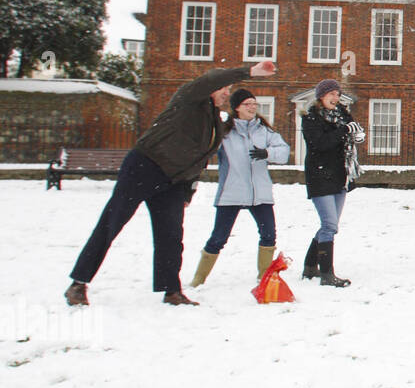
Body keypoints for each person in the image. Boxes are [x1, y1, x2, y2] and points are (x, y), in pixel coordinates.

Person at [65, 62, 276, 306]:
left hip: (174, 181)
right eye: (224, 88)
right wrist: (249, 72)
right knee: (112, 224)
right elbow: (212, 77)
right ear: (211, 88)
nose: (227, 93)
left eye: (229, 89)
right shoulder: (189, 97)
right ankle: (78, 284)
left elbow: (200, 158)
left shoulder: (215, 122)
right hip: (145, 166)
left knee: (171, 235)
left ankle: (171, 291)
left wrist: (187, 191)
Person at [190, 88, 291, 286]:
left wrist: (267, 153)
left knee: (269, 235)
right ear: (237, 108)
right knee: (219, 238)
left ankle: (264, 278)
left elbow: (284, 151)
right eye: (247, 104)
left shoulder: (264, 131)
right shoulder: (225, 132)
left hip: (260, 193)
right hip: (231, 192)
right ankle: (198, 279)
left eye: (254, 104)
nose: (253, 107)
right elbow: (204, 149)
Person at [300, 79, 363, 287]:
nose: (335, 98)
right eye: (331, 94)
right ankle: (327, 274)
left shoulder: (343, 115)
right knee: (329, 225)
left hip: (339, 176)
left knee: (329, 225)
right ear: (320, 96)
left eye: (337, 94)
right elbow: (320, 143)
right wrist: (343, 131)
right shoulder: (311, 118)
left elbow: (350, 135)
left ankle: (310, 266)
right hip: (319, 176)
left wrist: (357, 135)